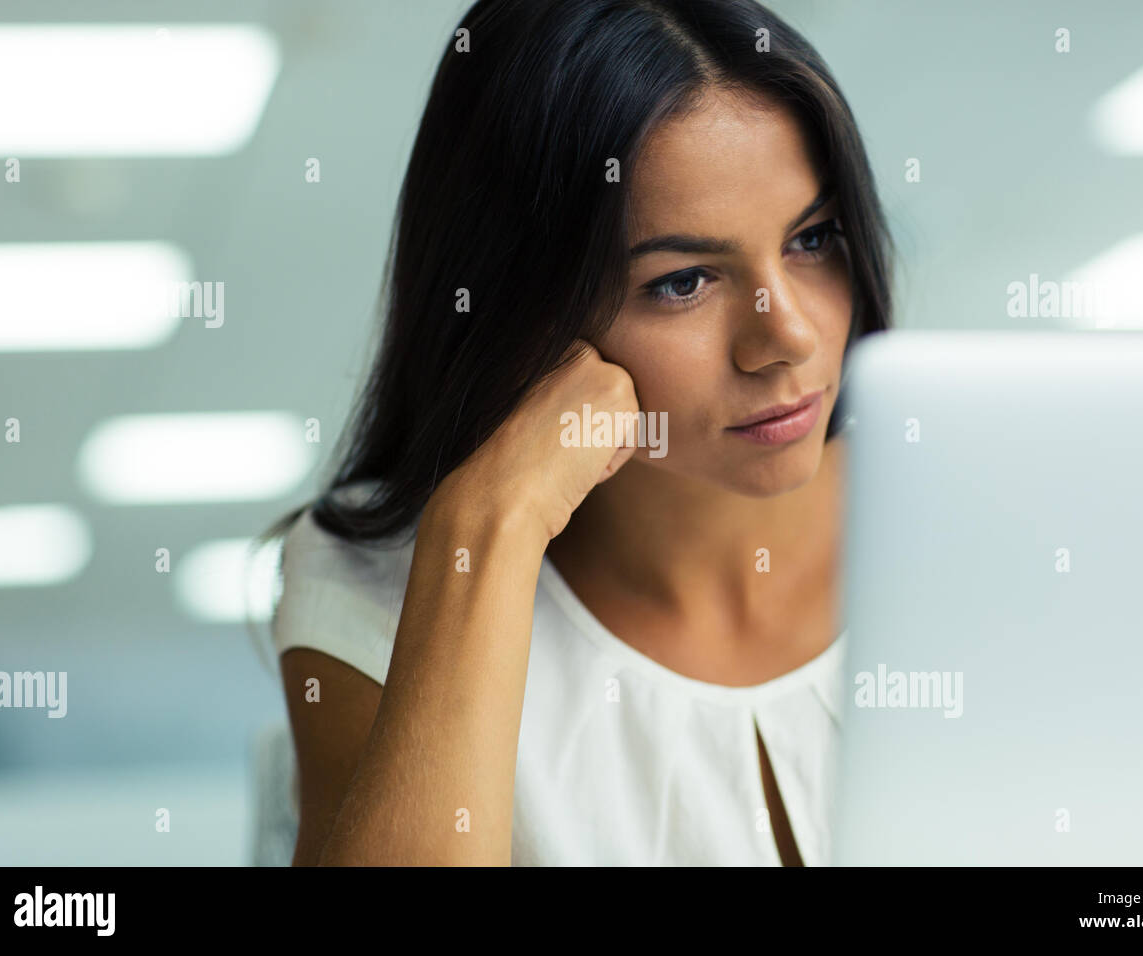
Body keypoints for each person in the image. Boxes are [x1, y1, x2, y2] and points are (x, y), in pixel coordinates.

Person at [259, 0, 893, 866]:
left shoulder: (952, 512)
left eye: (813, 238)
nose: (787, 336)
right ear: (527, 305)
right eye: (683, 282)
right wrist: (490, 526)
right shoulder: (372, 587)